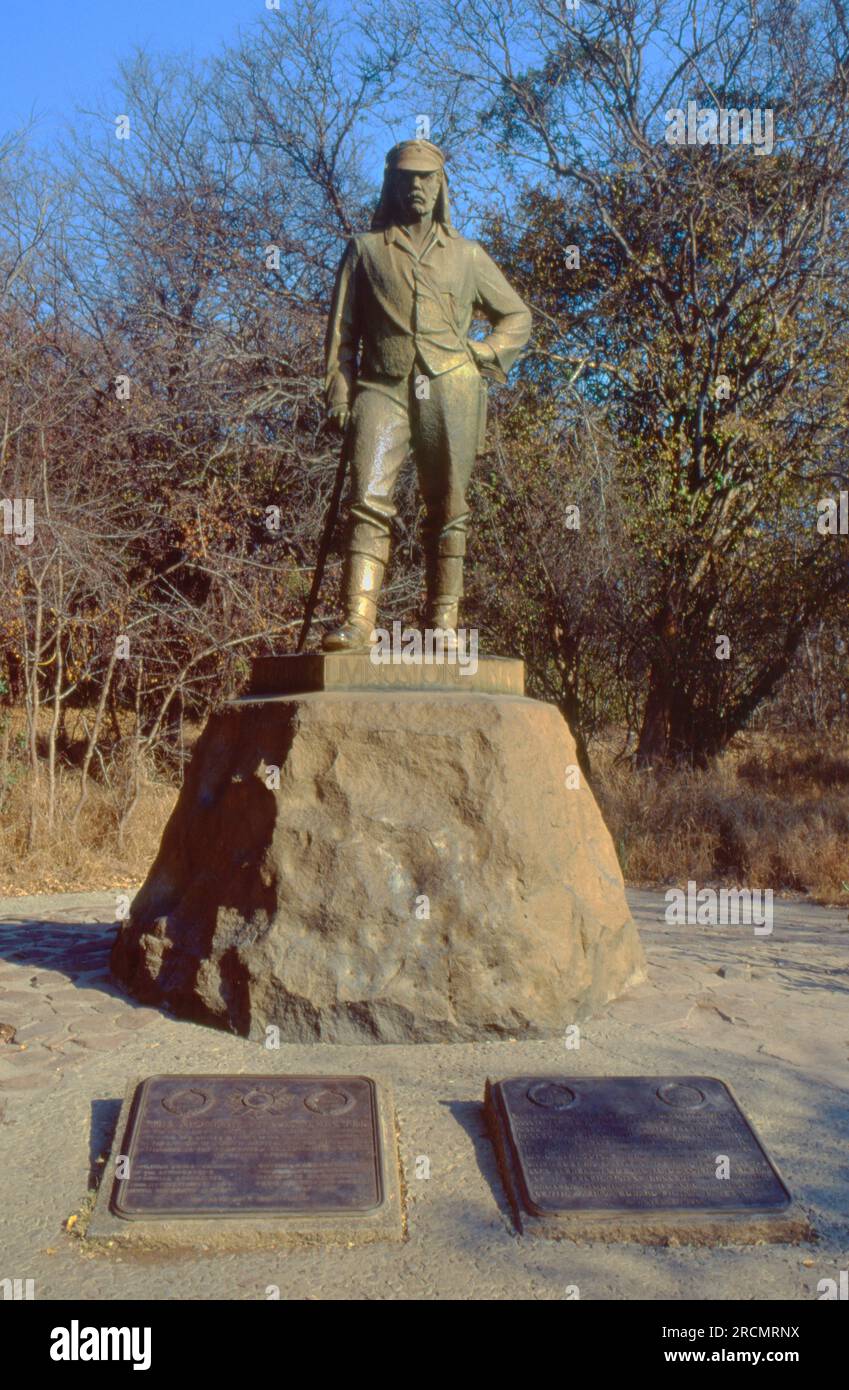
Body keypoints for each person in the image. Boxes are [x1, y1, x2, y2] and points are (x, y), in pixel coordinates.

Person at [322, 138, 531, 650]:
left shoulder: (468, 255)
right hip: (383, 388)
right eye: (406, 178)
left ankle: (442, 626)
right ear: (391, 186)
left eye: (426, 178)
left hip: (450, 388)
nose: (416, 187)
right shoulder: (365, 251)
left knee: (450, 505)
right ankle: (357, 621)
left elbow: (518, 316)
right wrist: (340, 396)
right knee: (368, 499)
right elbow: (341, 337)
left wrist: (485, 352)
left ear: (441, 186)